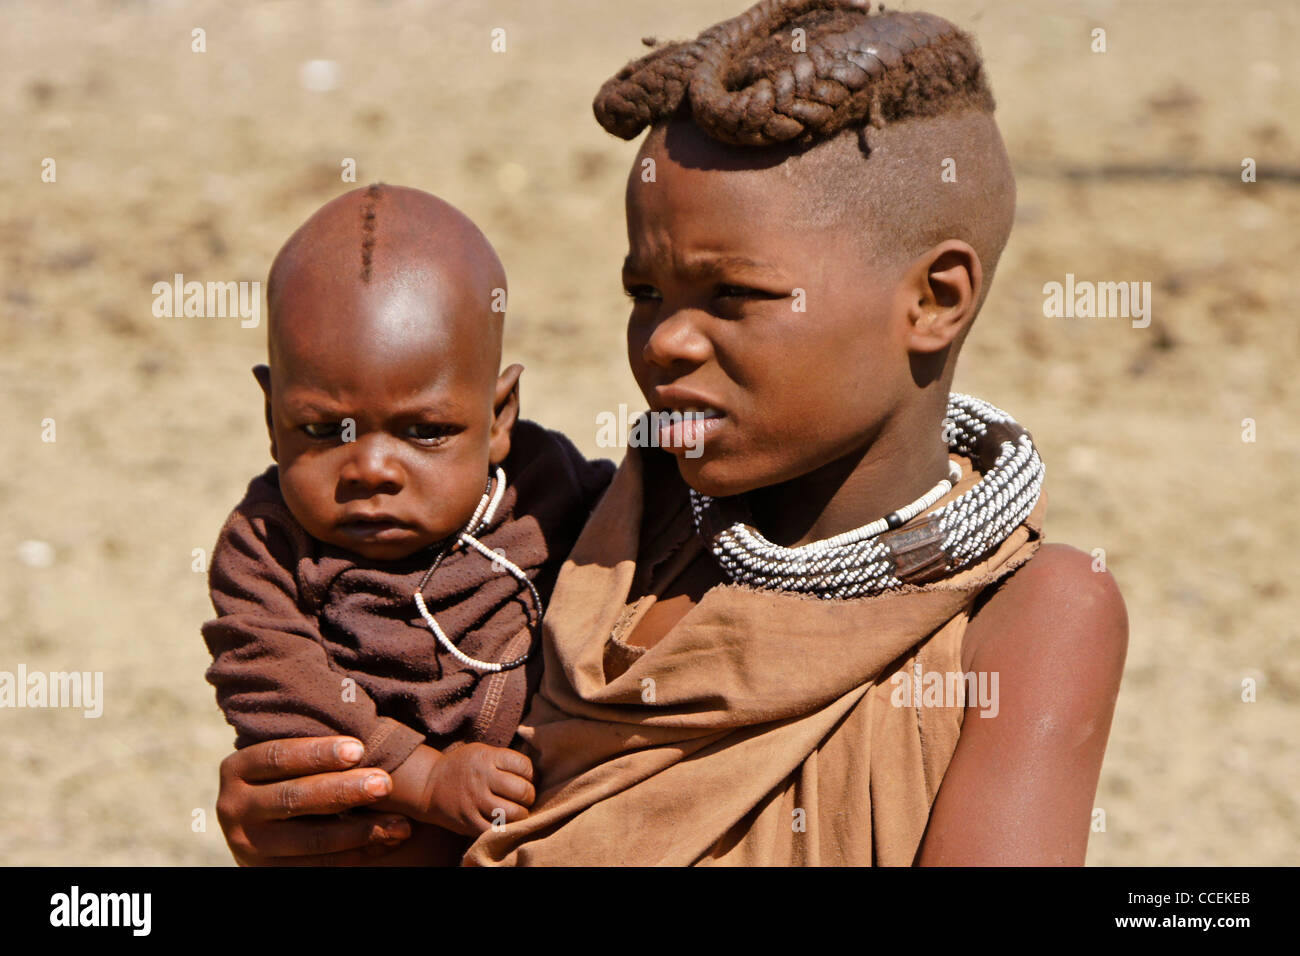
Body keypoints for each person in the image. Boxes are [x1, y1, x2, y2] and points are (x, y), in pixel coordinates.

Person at [213, 0, 1127, 866]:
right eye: (644, 293)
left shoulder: (1026, 620)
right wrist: (329, 831)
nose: (666, 340)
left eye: (733, 296)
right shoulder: (583, 540)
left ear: (935, 300)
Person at [201, 184, 613, 865]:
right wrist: (422, 778)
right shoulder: (268, 546)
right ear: (269, 416)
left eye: (424, 431)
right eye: (322, 429)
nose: (371, 468)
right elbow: (276, 687)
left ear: (499, 416)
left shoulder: (553, 492)